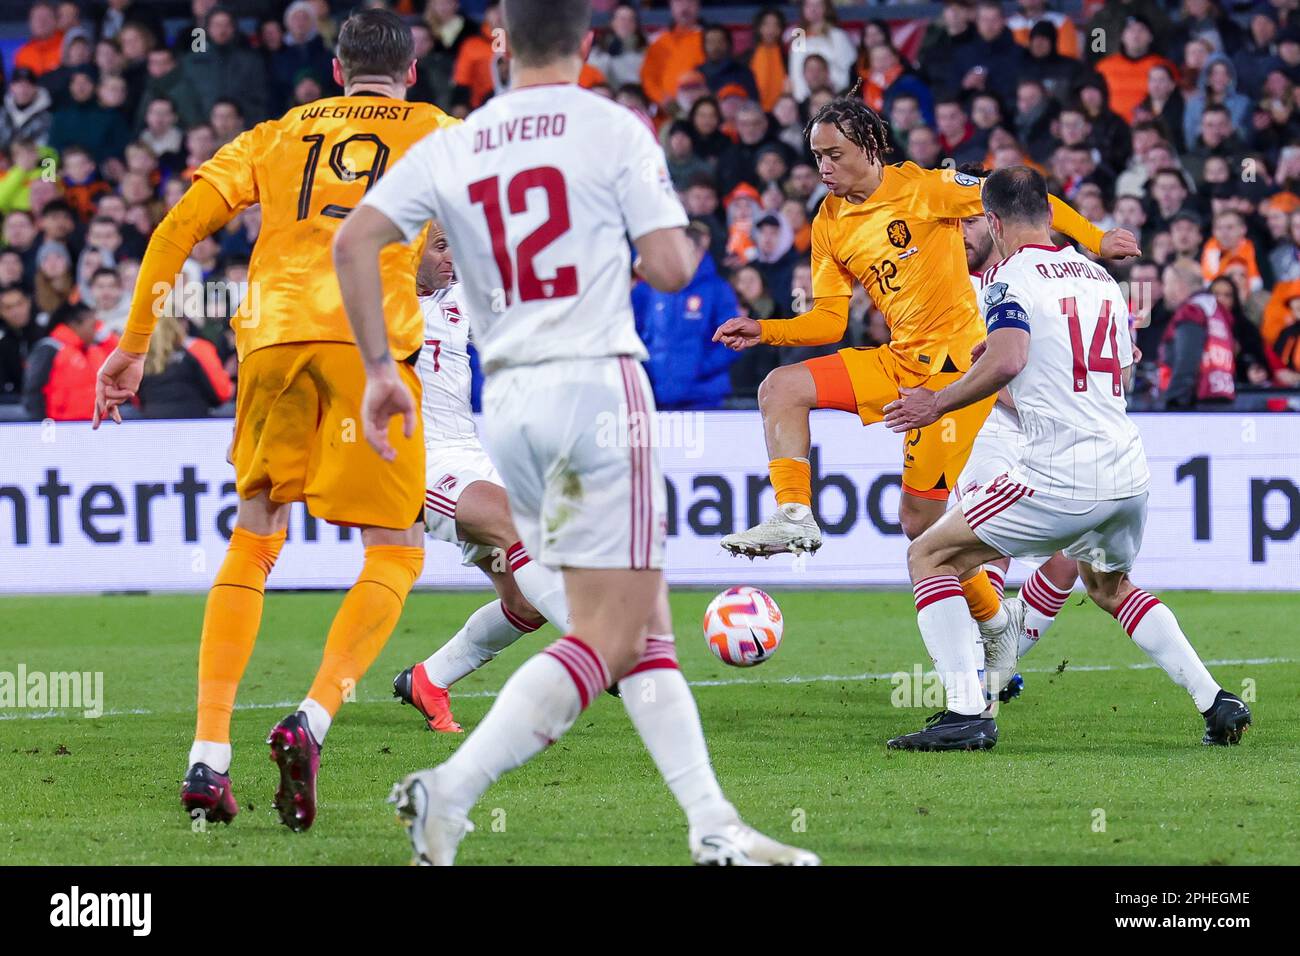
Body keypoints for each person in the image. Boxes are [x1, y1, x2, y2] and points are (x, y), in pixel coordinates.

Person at [336, 0, 817, 868]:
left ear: (499, 46)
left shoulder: (453, 142)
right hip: (597, 387)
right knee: (612, 634)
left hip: (511, 408)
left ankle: (709, 824)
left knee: (632, 630)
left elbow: (355, 240)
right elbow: (672, 266)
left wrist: (379, 370)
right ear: (589, 45)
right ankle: (455, 791)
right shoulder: (612, 127)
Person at [93, 8, 459, 832]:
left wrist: (131, 348)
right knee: (395, 550)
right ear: (409, 72)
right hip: (367, 349)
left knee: (254, 539)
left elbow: (178, 226)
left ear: (335, 71)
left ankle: (207, 757)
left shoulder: (277, 131)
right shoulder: (439, 130)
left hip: (270, 342)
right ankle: (314, 717)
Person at [710, 92, 1135, 662]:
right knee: (780, 388)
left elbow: (1023, 199)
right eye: (816, 157)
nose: (823, 168)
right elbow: (828, 320)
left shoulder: (926, 187)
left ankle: (996, 622)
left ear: (867, 146)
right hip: (900, 361)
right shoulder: (829, 221)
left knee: (921, 525)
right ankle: (793, 514)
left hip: (954, 372)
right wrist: (766, 331)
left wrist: (1096, 237)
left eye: (833, 155)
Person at [882, 165, 1251, 751]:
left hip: (1061, 473)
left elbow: (1007, 359)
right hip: (1127, 469)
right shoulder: (1099, 275)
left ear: (994, 222)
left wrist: (938, 402)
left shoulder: (1006, 276)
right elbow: (1110, 362)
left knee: (929, 553)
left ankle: (967, 713)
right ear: (1052, 216)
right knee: (1108, 586)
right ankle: (1216, 701)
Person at [392, 224, 570, 734]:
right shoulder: (373, 303)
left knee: (524, 602)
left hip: (467, 454)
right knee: (519, 524)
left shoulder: (461, 296)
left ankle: (429, 678)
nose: (454, 257)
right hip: (416, 460)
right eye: (442, 246)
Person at [954, 190, 1081, 705]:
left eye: (969, 222)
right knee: (988, 545)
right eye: (954, 224)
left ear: (994, 223)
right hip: (988, 431)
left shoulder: (1033, 277)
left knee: (1074, 555)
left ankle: (999, 658)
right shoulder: (962, 290)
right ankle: (976, 679)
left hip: (1047, 433)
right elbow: (983, 369)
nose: (961, 233)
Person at [634, 220, 741, 410]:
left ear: (699, 251)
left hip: (705, 398)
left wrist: (698, 367)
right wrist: (650, 370)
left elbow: (734, 337)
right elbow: (636, 334)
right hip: (655, 396)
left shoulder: (718, 290)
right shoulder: (649, 289)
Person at [24, 301, 116, 420]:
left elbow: (122, 362)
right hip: (61, 426)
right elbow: (33, 390)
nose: (96, 331)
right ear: (75, 325)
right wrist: (41, 426)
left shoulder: (93, 351)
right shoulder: (50, 348)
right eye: (93, 326)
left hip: (95, 426)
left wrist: (108, 338)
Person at [137, 312, 233, 418]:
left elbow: (134, 397)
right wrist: (229, 374)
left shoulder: (141, 357)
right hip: (194, 422)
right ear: (182, 325)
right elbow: (222, 393)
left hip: (152, 421)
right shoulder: (198, 349)